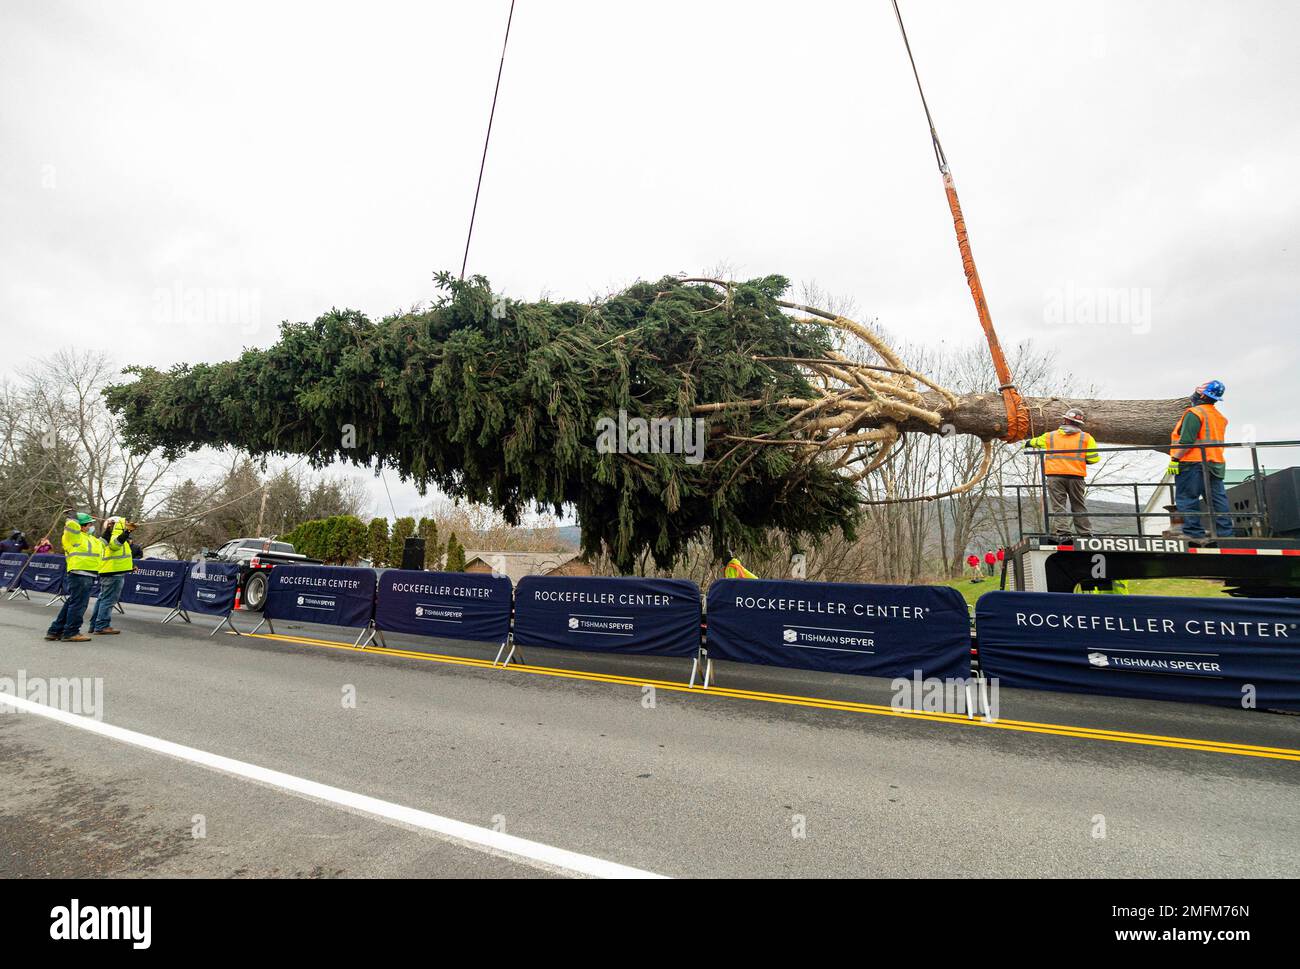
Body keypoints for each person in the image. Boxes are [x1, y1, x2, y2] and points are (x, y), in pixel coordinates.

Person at [1165, 380, 1232, 544]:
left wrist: (1175, 459)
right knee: (1217, 500)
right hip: (1215, 463)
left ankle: (1194, 533)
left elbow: (1187, 441)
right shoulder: (1219, 417)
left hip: (1192, 463)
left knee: (1187, 498)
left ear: (1202, 395)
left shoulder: (1195, 413)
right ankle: (1225, 534)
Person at [1025, 408, 1098, 540]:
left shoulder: (1050, 436)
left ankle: (1064, 534)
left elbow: (1033, 442)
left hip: (1055, 476)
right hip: (1076, 477)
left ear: (1065, 420)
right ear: (1079, 424)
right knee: (1078, 505)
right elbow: (1094, 458)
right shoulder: (1086, 438)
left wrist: (1027, 443)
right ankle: (1086, 534)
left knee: (1059, 506)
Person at [45, 514, 101, 643]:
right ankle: (71, 632)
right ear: (82, 526)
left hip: (86, 573)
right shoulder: (73, 534)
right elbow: (71, 525)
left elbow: (105, 543)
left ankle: (55, 631)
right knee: (79, 604)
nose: (91, 526)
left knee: (73, 602)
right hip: (80, 573)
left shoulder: (90, 538)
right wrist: (74, 516)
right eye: (89, 524)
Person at [90, 517, 135, 636]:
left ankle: (95, 624)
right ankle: (102, 626)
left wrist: (129, 567)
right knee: (108, 600)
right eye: (124, 523)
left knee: (103, 599)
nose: (127, 524)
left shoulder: (113, 536)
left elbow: (116, 555)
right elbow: (115, 546)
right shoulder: (116, 536)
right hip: (113, 574)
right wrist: (127, 532)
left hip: (110, 571)